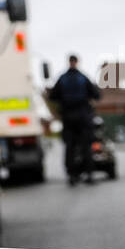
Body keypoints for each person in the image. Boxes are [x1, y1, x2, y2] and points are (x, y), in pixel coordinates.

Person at [48, 54, 101, 185]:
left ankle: (72, 175)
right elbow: (96, 94)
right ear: (77, 62)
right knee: (86, 147)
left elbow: (52, 96)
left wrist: (62, 102)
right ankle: (89, 175)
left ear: (69, 62)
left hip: (68, 117)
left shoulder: (62, 78)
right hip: (83, 117)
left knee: (69, 148)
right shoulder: (83, 78)